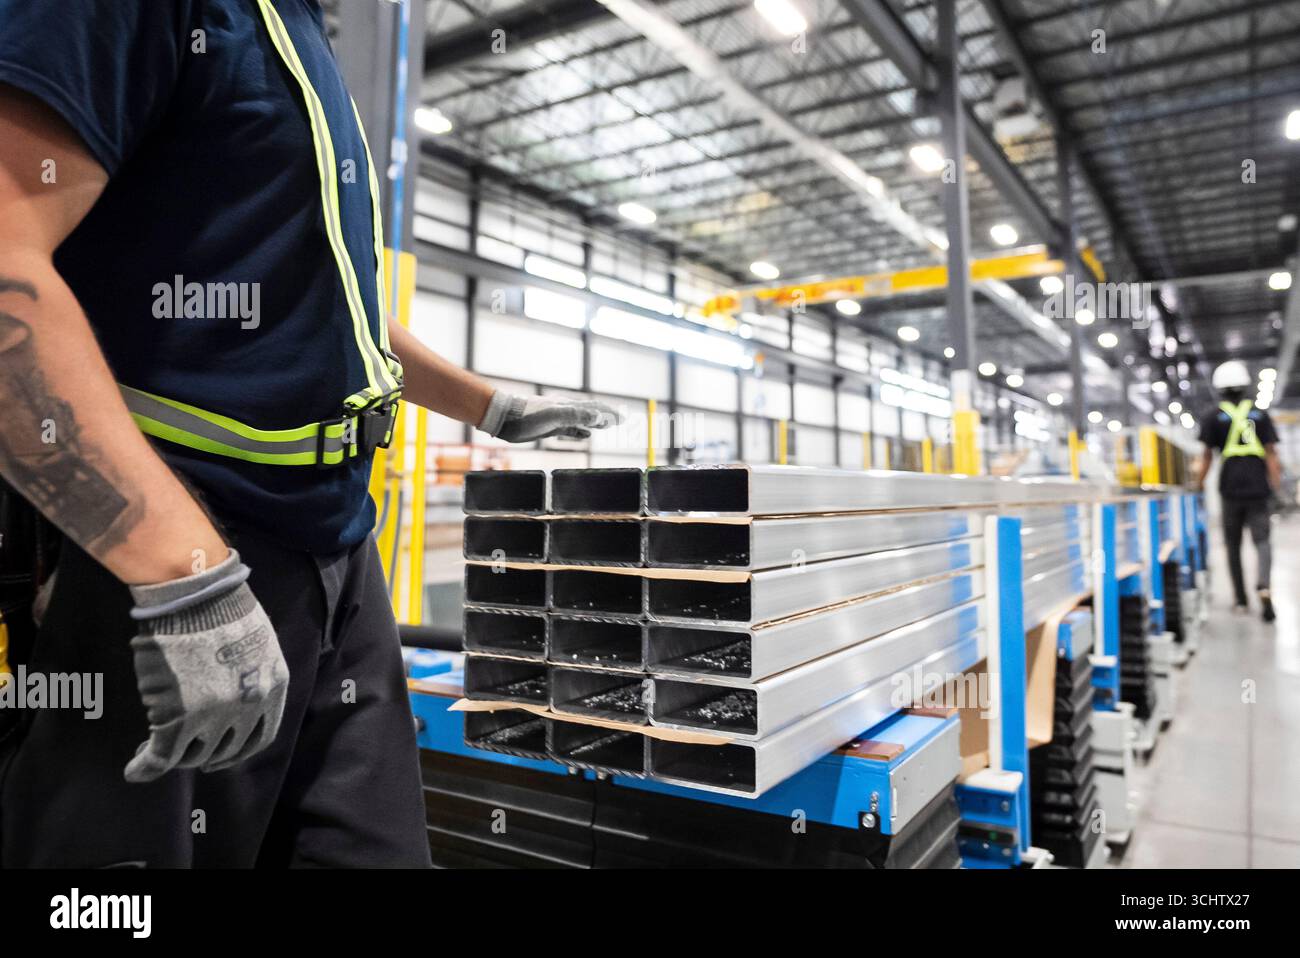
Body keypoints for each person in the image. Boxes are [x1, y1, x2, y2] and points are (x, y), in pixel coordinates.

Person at [0, 0, 616, 867]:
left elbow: (332, 293)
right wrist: (181, 576)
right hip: (178, 542)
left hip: (332, 546)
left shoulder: (296, 35)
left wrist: (489, 407)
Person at [1193, 360, 1281, 623]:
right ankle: (1264, 585)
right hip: (1258, 488)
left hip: (1230, 488)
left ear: (1219, 388)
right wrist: (1275, 486)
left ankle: (1241, 599)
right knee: (1262, 541)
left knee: (1233, 545)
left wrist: (1197, 485)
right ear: (1244, 386)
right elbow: (1272, 455)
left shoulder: (1212, 417)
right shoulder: (1260, 414)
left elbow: (1206, 457)